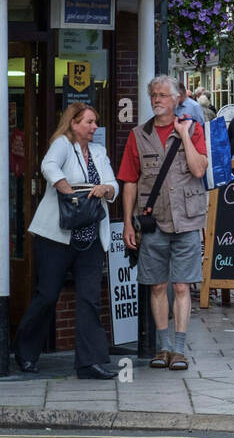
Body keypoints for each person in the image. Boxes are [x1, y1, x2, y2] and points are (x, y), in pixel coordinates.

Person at [14, 103, 119, 379]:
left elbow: (113, 184)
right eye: (89, 122)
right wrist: (68, 191)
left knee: (89, 299)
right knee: (47, 295)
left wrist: (106, 189)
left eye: (95, 122)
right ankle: (24, 352)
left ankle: (90, 363)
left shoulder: (99, 151)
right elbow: (48, 166)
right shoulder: (62, 144)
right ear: (73, 123)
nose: (95, 127)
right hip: (57, 236)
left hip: (91, 237)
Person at [119, 75, 208, 372]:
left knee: (182, 287)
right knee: (157, 286)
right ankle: (163, 348)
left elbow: (198, 168)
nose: (157, 100)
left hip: (187, 221)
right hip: (152, 222)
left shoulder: (193, 130)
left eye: (163, 95)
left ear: (176, 99)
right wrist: (128, 224)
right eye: (153, 95)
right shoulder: (138, 135)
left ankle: (180, 350)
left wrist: (183, 135)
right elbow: (129, 180)